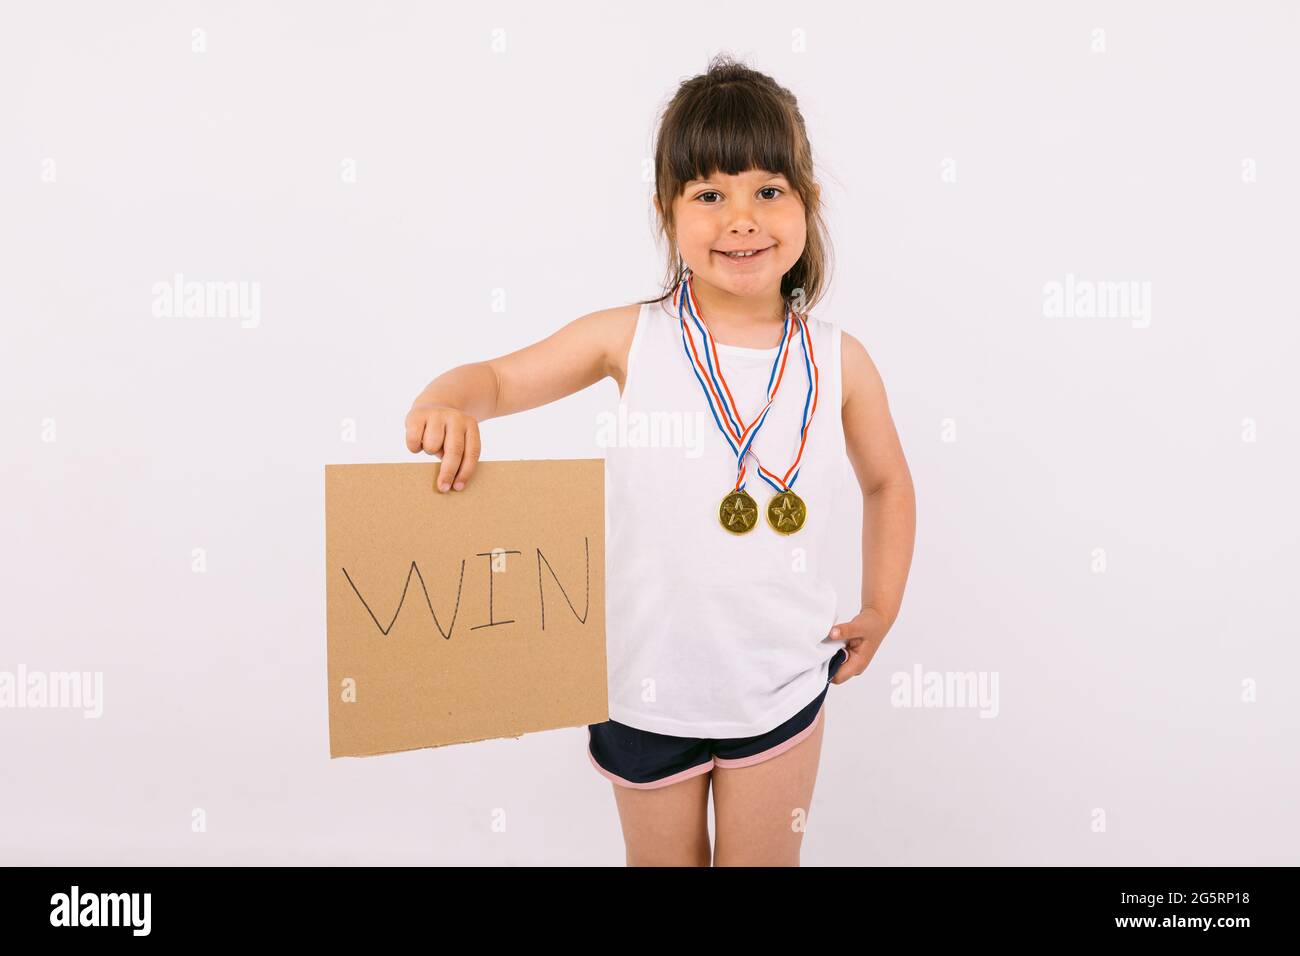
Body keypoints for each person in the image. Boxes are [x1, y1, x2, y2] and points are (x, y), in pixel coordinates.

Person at [405, 53, 915, 866]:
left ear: (807, 206)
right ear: (666, 214)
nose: (740, 218)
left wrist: (880, 606)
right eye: (709, 194)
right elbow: (497, 379)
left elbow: (887, 483)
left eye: (767, 191)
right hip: (640, 689)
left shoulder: (838, 358)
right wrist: (446, 402)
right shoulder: (627, 338)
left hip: (779, 683)